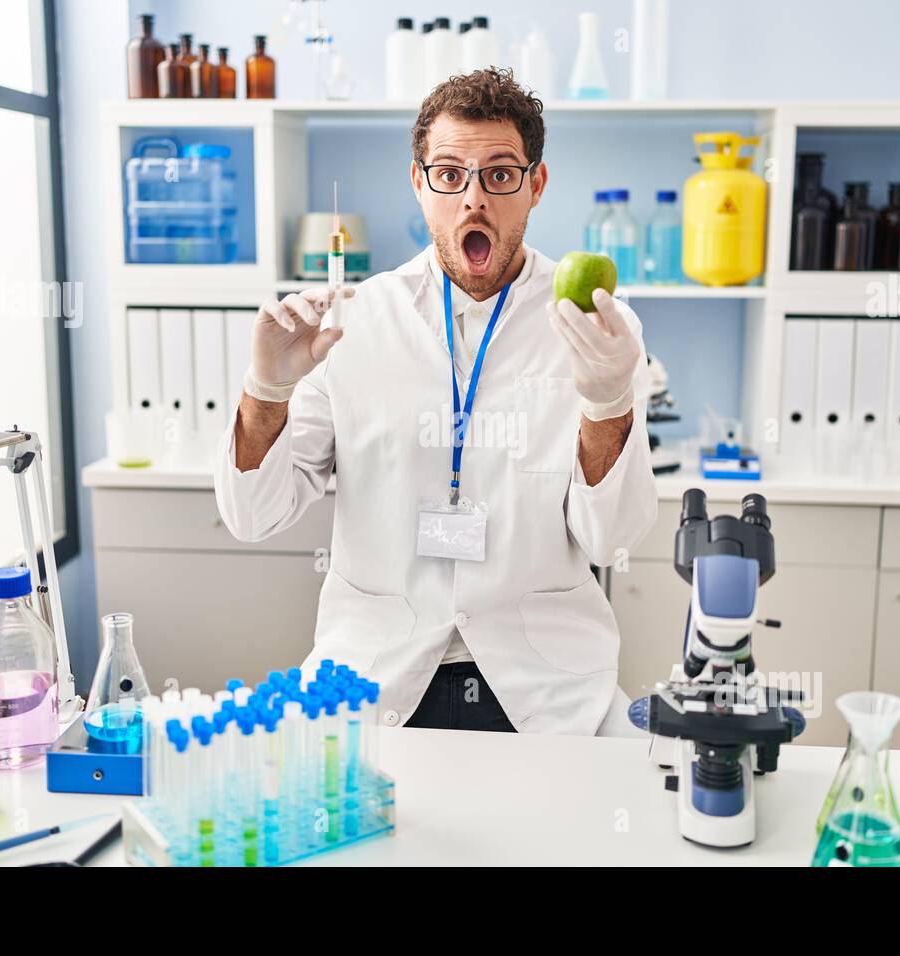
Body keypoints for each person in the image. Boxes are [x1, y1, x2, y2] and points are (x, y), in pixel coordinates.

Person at [216, 69, 658, 735]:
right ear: (419, 184)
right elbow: (251, 515)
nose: (473, 200)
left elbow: (613, 537)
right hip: (376, 672)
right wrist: (265, 392)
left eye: (500, 174)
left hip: (543, 681)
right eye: (450, 174)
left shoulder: (594, 323)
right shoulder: (351, 321)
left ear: (537, 185)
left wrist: (606, 405)